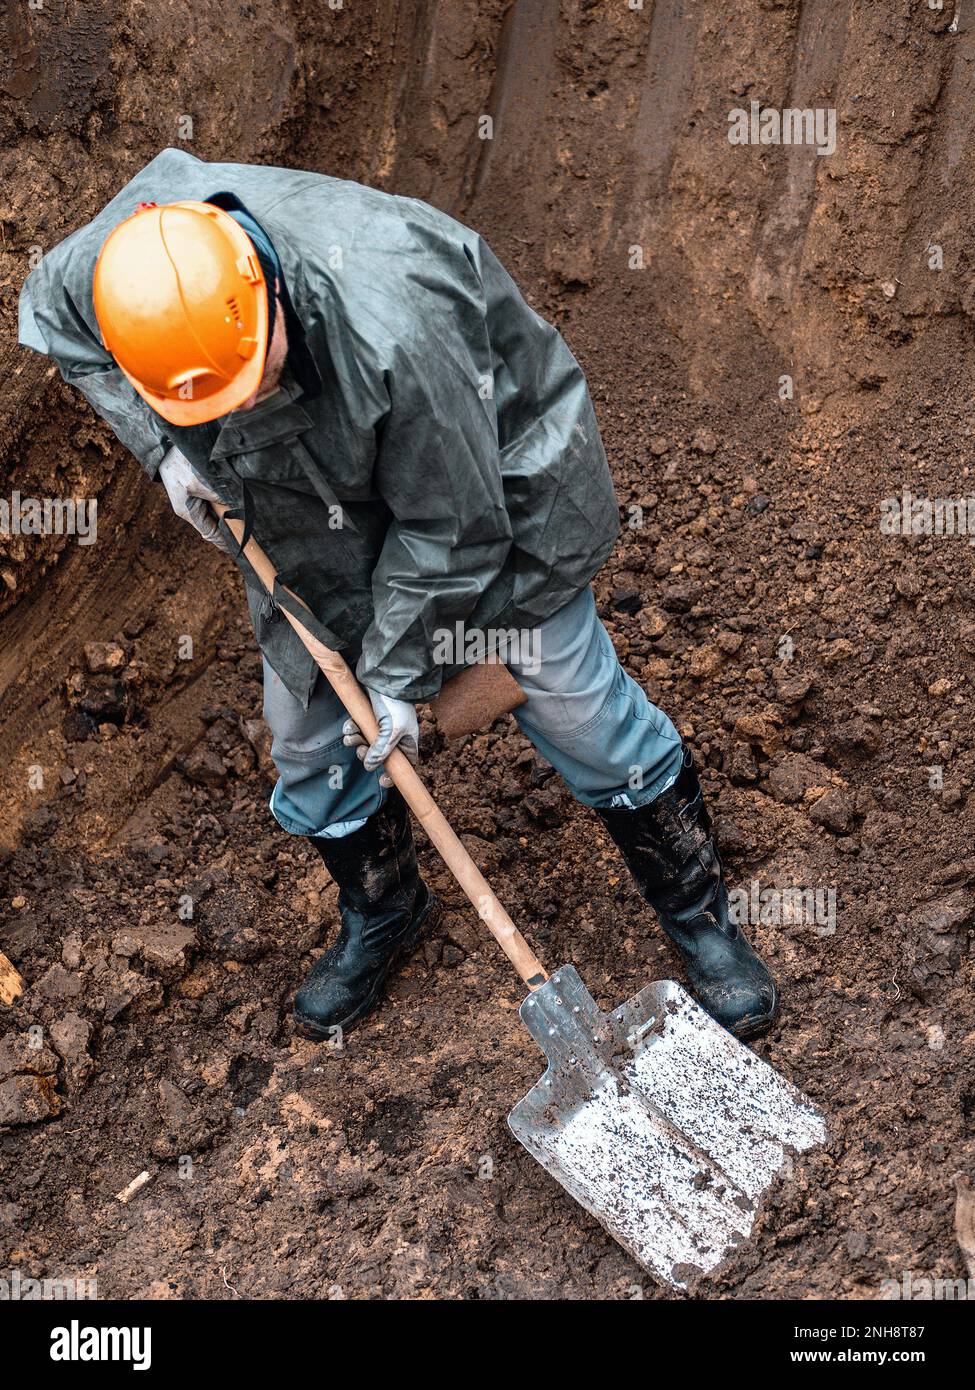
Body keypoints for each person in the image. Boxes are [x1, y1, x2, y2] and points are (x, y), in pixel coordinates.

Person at [18, 149, 778, 1041]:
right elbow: (56, 320)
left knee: (581, 714)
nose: (237, 404)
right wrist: (163, 446)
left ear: (263, 299)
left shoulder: (396, 315)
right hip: (299, 512)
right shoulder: (120, 273)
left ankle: (700, 924)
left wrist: (397, 678)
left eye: (246, 382)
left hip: (492, 485)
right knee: (308, 747)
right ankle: (385, 911)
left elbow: (451, 525)